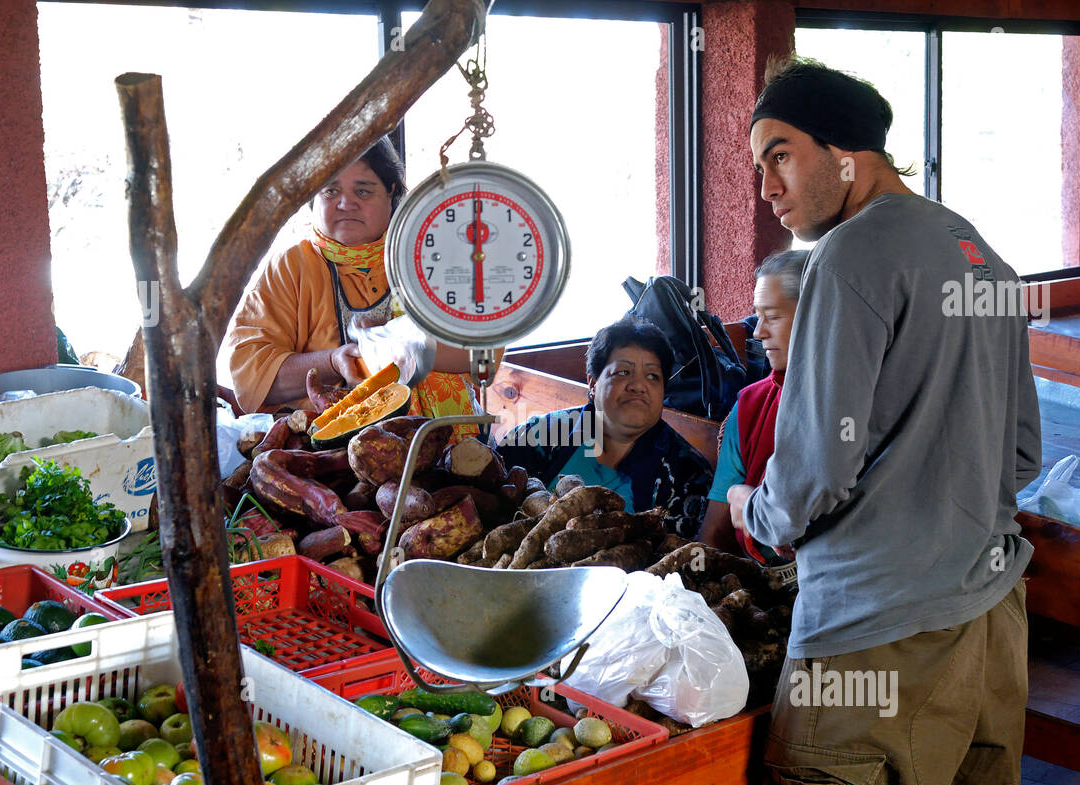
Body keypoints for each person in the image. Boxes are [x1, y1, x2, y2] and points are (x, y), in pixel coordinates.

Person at [728, 57, 1041, 785]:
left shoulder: (849, 258)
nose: (766, 185)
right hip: (988, 621)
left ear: (846, 156)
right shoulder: (977, 250)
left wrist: (753, 512)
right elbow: (1021, 450)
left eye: (780, 154)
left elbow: (813, 474)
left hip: (876, 633)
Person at [223, 136, 496, 431]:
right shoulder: (290, 267)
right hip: (328, 460)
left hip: (448, 443)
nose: (345, 203)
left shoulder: (432, 256)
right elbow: (249, 378)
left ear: (391, 192)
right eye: (331, 190)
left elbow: (485, 354)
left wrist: (405, 346)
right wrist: (332, 362)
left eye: (363, 190)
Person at [498, 317, 713, 537]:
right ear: (592, 383)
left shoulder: (687, 475)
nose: (639, 385)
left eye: (652, 376)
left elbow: (678, 559)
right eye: (623, 372)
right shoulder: (541, 435)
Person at [697, 249, 808, 560]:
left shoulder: (864, 402)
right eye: (757, 316)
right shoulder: (750, 406)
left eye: (772, 316)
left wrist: (747, 500)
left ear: (817, 316)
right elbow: (715, 531)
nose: (758, 332)